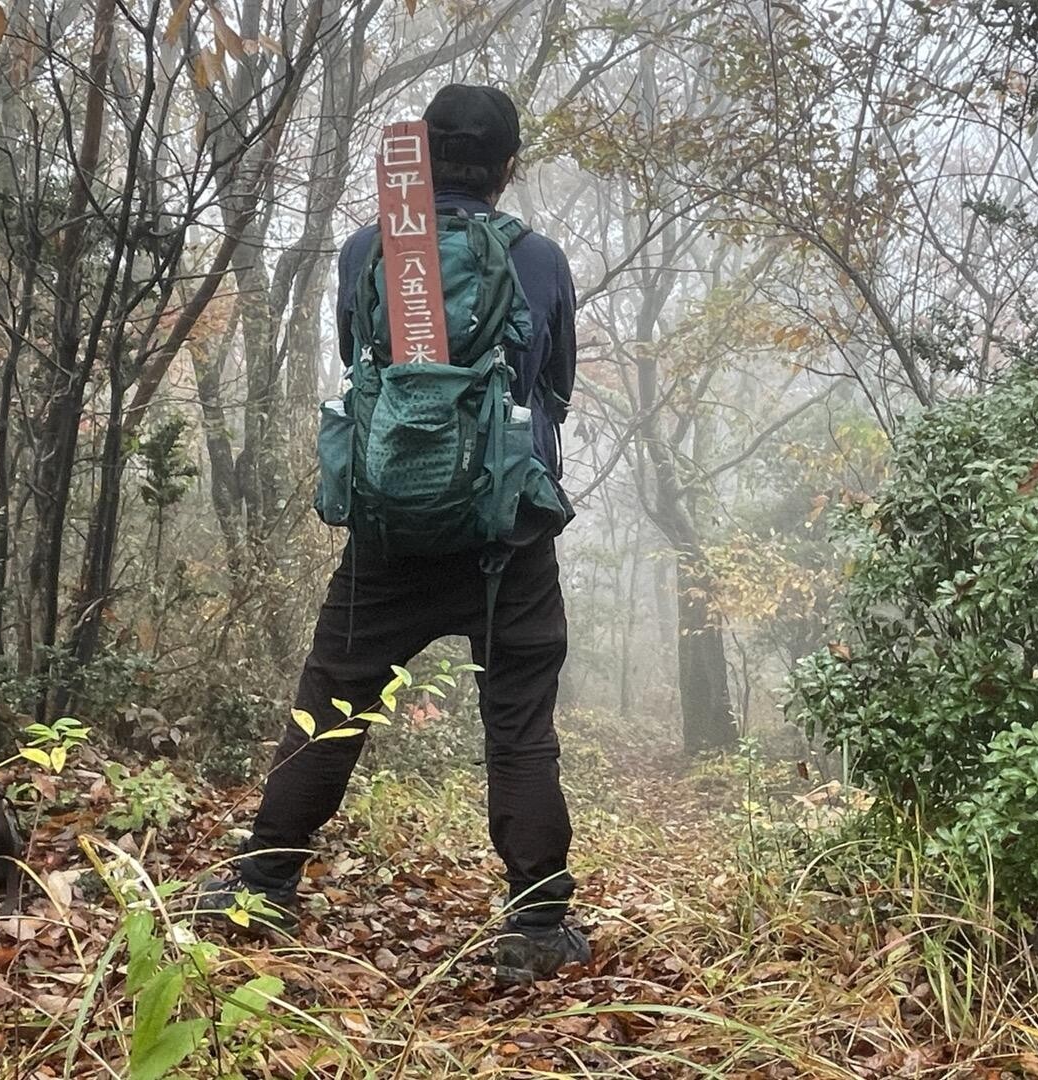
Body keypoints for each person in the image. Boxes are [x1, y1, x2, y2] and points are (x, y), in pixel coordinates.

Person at [193, 84, 588, 984]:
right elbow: (554, 383)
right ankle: (534, 926)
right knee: (519, 727)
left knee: (332, 701)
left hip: (389, 535)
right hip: (507, 540)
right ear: (508, 164)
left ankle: (262, 880)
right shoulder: (542, 261)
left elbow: (358, 361)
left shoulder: (371, 248)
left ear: (422, 154)